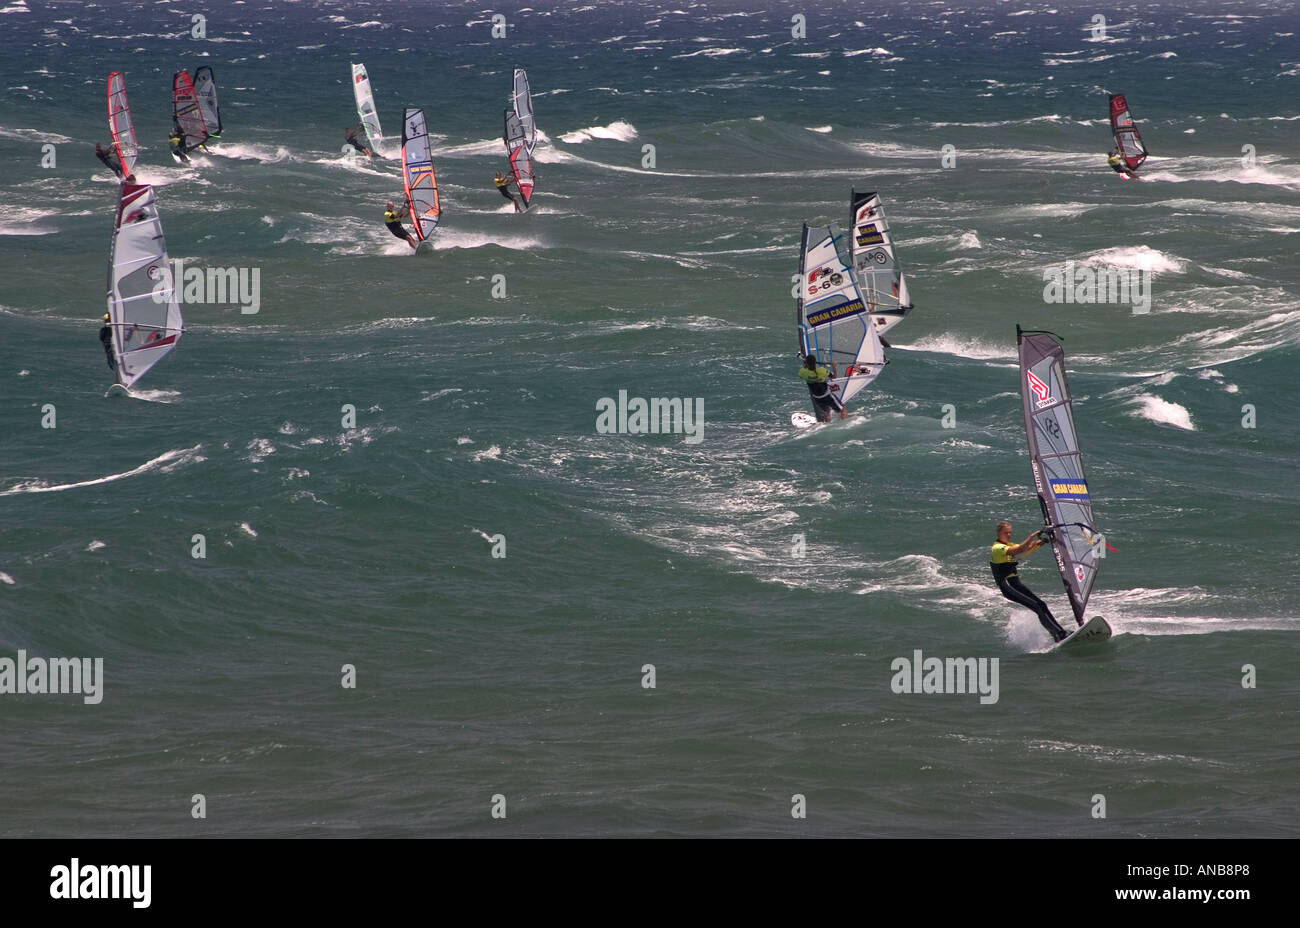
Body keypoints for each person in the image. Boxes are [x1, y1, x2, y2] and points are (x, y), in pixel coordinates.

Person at [990, 521, 1071, 642]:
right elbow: (1019, 549)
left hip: (1015, 583)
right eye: (1006, 533)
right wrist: (1032, 536)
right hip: (1008, 586)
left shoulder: (1008, 545)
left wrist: (1042, 541)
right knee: (1037, 606)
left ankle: (1059, 633)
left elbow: (1026, 548)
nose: (1009, 535)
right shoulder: (997, 548)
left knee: (1041, 605)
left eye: (1010, 532)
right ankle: (1059, 635)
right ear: (999, 533)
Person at [797, 354, 846, 422]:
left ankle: (827, 426)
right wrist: (834, 366)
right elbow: (834, 377)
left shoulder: (803, 372)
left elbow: (803, 372)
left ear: (806, 363)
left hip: (817, 398)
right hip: (827, 396)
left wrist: (805, 365)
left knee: (827, 412)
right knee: (842, 409)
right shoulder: (821, 370)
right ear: (815, 362)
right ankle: (844, 424)